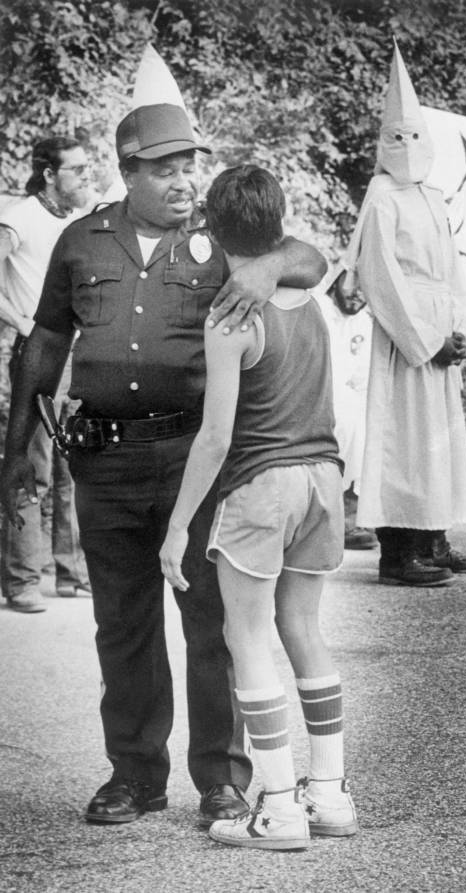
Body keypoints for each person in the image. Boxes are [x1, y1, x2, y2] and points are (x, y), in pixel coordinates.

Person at [0, 62, 327, 826]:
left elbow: (310, 260)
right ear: (128, 172)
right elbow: (44, 343)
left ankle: (221, 777)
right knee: (123, 624)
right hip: (104, 460)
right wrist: (17, 448)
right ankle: (135, 774)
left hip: (195, 461)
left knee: (213, 620)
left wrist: (271, 264)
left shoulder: (218, 239)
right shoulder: (81, 242)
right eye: (166, 169)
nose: (184, 181)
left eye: (190, 166)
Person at [160, 164, 358, 851]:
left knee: (246, 637)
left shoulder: (231, 319)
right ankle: (329, 795)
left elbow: (216, 437)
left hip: (262, 486)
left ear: (213, 230)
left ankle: (276, 808)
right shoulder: (313, 303)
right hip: (322, 479)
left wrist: (178, 524)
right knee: (303, 629)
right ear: (280, 222)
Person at [340, 41, 466, 587]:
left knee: (437, 441)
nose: (406, 147)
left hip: (440, 332)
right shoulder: (383, 197)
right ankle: (398, 555)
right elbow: (380, 275)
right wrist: (426, 339)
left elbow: (452, 272)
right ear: (382, 144)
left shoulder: (432, 196)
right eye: (395, 138)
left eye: (414, 137)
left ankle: (434, 541)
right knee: (402, 441)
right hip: (408, 340)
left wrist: (462, 330)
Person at [0, 136, 91, 613]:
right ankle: (21, 581)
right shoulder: (20, 218)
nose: (86, 176)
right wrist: (20, 322)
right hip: (37, 354)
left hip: (78, 354)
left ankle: (72, 574)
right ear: (50, 174)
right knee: (31, 465)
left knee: (75, 464)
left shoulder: (79, 219)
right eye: (77, 169)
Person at [315, 266, 377, 550]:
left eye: (365, 291)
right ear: (338, 278)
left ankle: (347, 515)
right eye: (354, 285)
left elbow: (362, 380)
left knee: (363, 420)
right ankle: (322, 519)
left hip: (346, 400)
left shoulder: (364, 323)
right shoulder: (316, 308)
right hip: (314, 394)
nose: (358, 295)